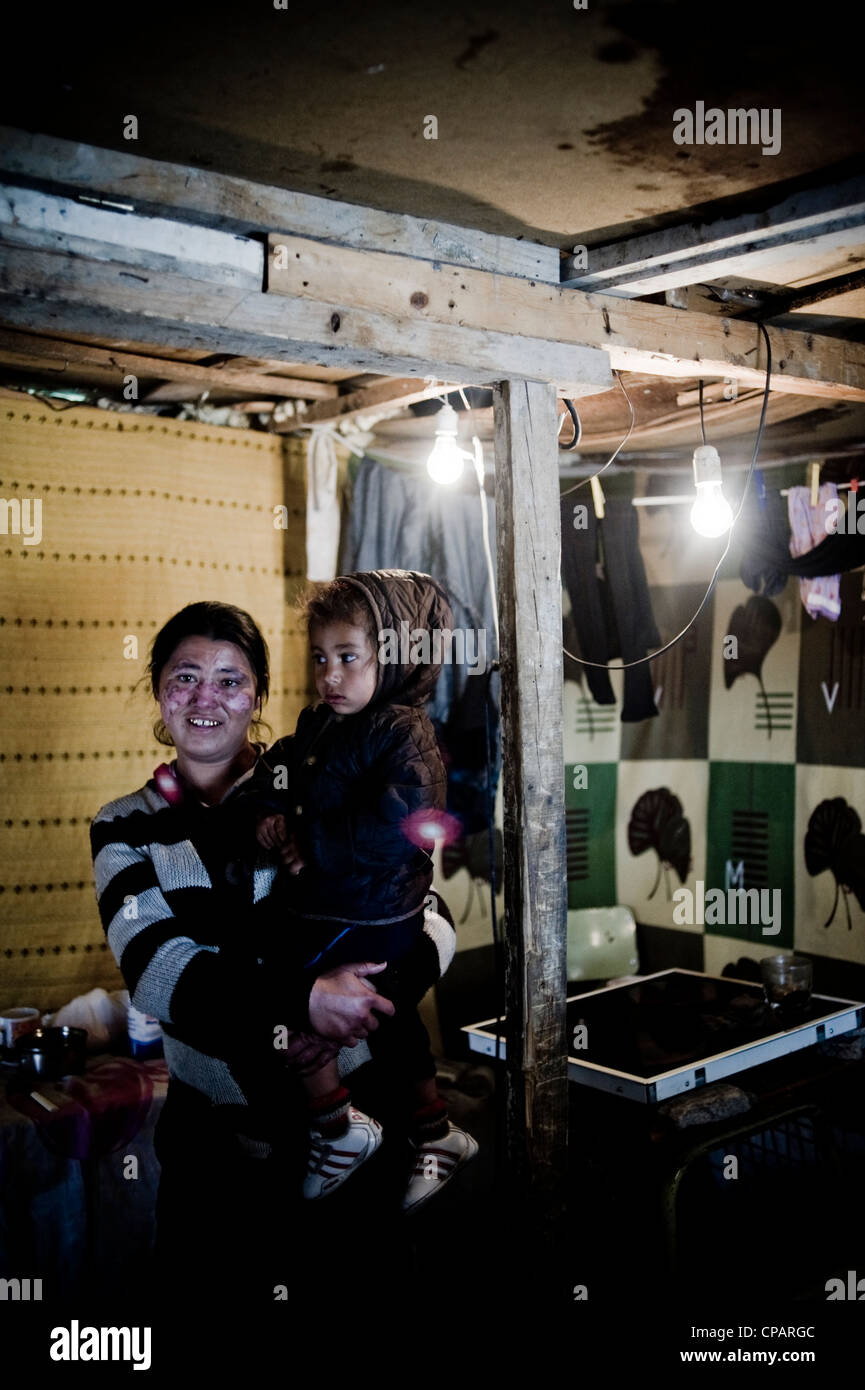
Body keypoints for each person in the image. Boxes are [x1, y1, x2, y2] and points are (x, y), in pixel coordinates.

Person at [89, 600, 457, 1309]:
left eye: (230, 680)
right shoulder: (127, 826)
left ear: (256, 694)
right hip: (218, 1157)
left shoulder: (316, 788)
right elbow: (161, 973)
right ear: (158, 691)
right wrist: (300, 1006)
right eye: (185, 676)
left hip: (363, 1132)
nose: (205, 698)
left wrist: (364, 999)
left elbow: (428, 915)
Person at [249, 570, 478, 1210]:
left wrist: (309, 840)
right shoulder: (320, 724)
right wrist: (270, 811)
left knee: (295, 985)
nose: (330, 675)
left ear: (396, 657)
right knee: (387, 1017)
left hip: (376, 909)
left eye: (349, 658)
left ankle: (336, 1124)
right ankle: (432, 1130)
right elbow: (281, 770)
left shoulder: (403, 732)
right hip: (337, 902)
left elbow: (407, 827)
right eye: (320, 657)